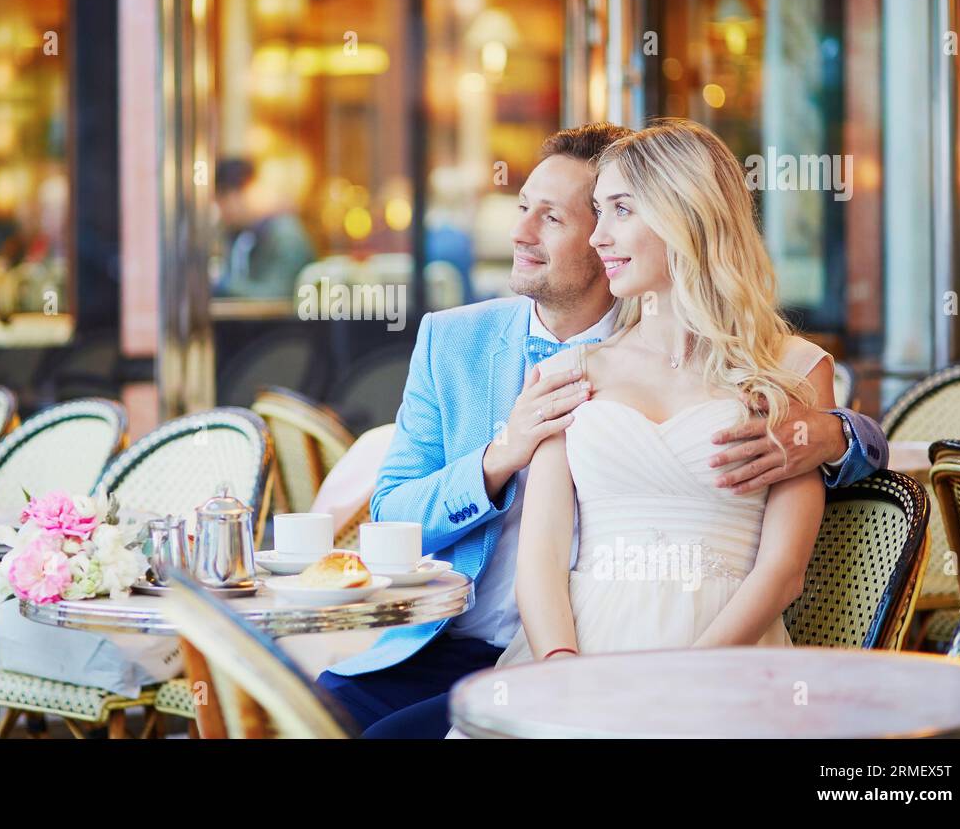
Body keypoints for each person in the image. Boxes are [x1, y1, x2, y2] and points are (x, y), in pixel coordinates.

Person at [316, 122, 888, 738]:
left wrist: (833, 437)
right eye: (523, 208)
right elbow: (394, 512)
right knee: (326, 717)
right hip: (494, 641)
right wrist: (500, 456)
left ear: (682, 216)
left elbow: (797, 540)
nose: (522, 233)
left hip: (705, 650)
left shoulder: (783, 370)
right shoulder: (482, 348)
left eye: (565, 217)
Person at [213, 158, 314, 300]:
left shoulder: (286, 235)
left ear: (242, 193)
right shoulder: (240, 234)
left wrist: (224, 284)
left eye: (222, 201)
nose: (221, 211)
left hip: (285, 322)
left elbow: (278, 296)